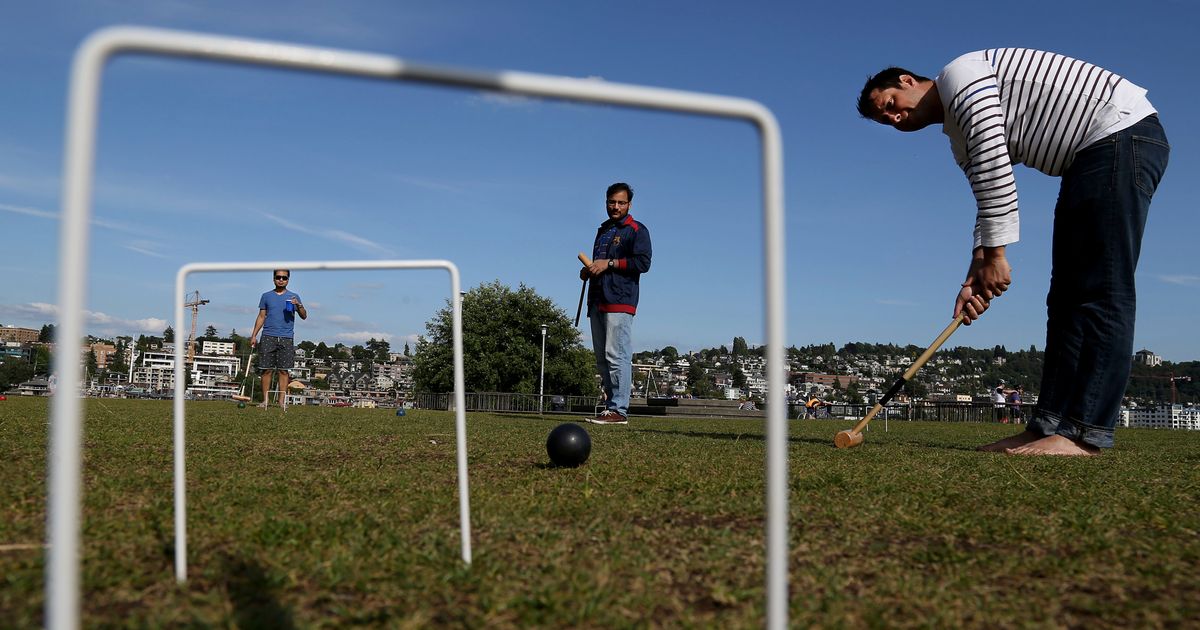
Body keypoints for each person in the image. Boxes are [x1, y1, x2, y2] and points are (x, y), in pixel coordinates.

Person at [858, 48, 1169, 456]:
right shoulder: (957, 135)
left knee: (1101, 287)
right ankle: (1047, 427)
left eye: (891, 106)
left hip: (1119, 134)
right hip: (1088, 157)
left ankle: (1085, 434)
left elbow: (994, 165)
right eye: (886, 121)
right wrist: (976, 273)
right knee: (1065, 298)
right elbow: (983, 194)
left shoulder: (960, 76)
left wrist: (998, 257)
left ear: (906, 81)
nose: (895, 119)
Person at [583, 182, 652, 425]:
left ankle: (619, 410)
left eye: (621, 202)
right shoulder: (603, 230)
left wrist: (608, 264)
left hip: (620, 300)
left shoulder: (636, 229)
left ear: (629, 204)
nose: (616, 206)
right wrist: (591, 271)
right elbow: (601, 266)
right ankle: (609, 408)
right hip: (598, 298)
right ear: (606, 203)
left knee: (616, 354)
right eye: (612, 202)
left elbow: (642, 263)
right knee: (602, 358)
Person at [249, 269, 307, 409]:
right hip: (268, 335)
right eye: (278, 277)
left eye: (284, 278)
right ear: (273, 279)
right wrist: (254, 335)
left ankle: (281, 401)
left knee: (283, 370)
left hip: (286, 337)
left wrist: (298, 305)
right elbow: (261, 316)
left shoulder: (294, 296)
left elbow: (304, 316)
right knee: (266, 369)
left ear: (288, 279)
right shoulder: (266, 296)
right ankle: (265, 401)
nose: (281, 280)